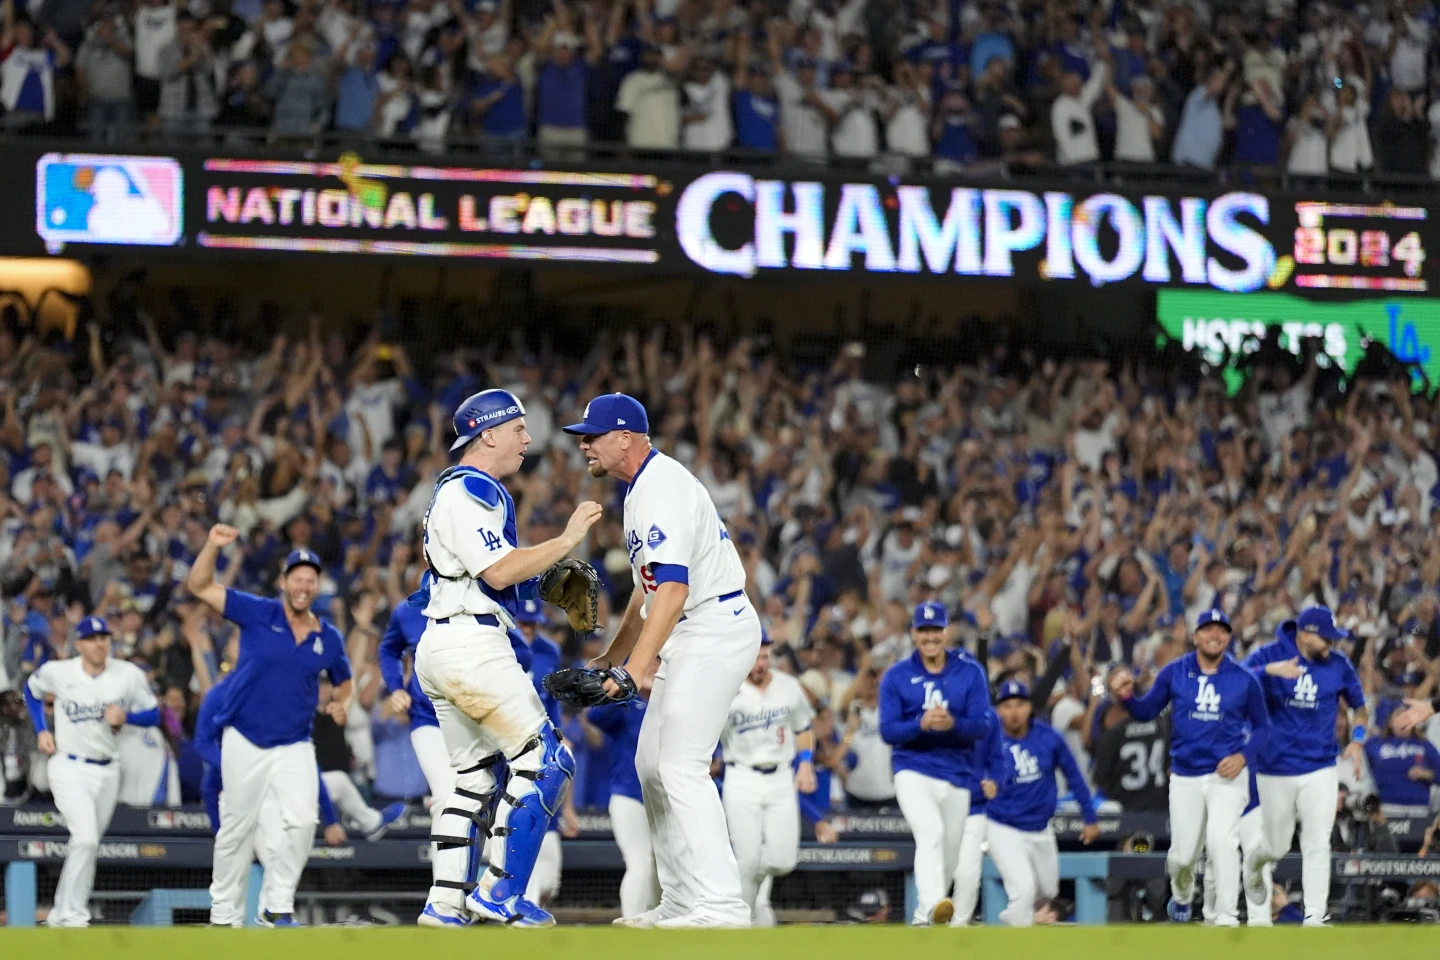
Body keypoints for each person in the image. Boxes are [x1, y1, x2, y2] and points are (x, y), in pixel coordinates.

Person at [567, 391, 760, 928]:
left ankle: (721, 905)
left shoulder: (663, 489)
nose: (583, 444)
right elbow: (645, 592)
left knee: (680, 764)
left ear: (625, 436)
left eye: (592, 435)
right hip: (693, 629)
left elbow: (672, 592)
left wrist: (633, 672)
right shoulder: (639, 491)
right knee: (651, 765)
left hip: (714, 625)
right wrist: (614, 655)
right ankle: (679, 899)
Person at [413, 389, 600, 928]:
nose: (527, 438)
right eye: (518, 428)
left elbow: (491, 576)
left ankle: (445, 902)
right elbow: (496, 572)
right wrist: (565, 541)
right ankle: (499, 894)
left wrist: (543, 583)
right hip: (470, 646)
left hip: (446, 643)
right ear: (488, 433)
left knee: (474, 778)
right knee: (547, 761)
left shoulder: (457, 492)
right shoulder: (472, 489)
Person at [187, 540, 353, 928]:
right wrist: (211, 545)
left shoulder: (327, 637)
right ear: (283, 581)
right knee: (237, 828)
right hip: (244, 738)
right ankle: (223, 914)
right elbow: (199, 586)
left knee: (303, 821)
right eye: (297, 578)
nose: (303, 586)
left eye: (310, 580)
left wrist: (343, 702)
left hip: (294, 742)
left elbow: (343, 681)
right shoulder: (257, 611)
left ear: (316, 586)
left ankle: (276, 905)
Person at [379, 576, 536, 907]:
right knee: (448, 794)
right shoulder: (407, 611)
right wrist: (395, 686)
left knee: (480, 800)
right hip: (428, 721)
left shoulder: (479, 609)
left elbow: (523, 654)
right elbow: (388, 649)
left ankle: (475, 886)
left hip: (471, 721)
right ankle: (447, 896)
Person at [1108, 609, 1270, 926]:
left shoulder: (1243, 679)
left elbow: (1264, 727)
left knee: (1223, 842)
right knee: (1182, 858)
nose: (1214, 635)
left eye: (1221, 630)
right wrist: (1127, 697)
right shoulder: (1174, 672)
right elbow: (1146, 711)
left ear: (1228, 637)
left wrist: (1243, 757)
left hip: (1228, 775)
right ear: (1195, 637)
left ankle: (1226, 916)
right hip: (1185, 776)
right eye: (1208, 630)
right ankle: (1181, 898)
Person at [22, 616, 159, 927]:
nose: (101, 643)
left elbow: (153, 713)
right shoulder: (59, 671)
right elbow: (29, 691)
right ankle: (73, 915)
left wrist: (127, 718)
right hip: (68, 764)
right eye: (93, 638)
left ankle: (63, 913)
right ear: (79, 644)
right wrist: (41, 728)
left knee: (89, 843)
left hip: (109, 770)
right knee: (84, 838)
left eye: (105, 637)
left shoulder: (127, 675)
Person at [1243, 606, 1368, 927]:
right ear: (1305, 634)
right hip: (1274, 767)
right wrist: (1269, 671)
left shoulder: (1338, 664)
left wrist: (1356, 738)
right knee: (1275, 845)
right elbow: (1235, 683)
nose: (1331, 644)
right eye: (1325, 638)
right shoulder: (1269, 654)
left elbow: (1360, 708)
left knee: (1317, 841)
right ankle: (1259, 914)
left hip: (1320, 767)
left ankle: (1314, 918)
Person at [877, 601, 994, 926]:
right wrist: (921, 725)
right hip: (912, 769)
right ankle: (931, 906)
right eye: (923, 630)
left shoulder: (970, 671)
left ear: (946, 632)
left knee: (950, 852)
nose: (930, 636)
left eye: (936, 630)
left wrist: (952, 723)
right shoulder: (897, 676)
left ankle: (922, 919)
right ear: (914, 633)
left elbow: (983, 725)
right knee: (930, 832)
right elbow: (888, 730)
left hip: (957, 773)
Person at [984, 679, 1099, 927]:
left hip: (1040, 826)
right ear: (997, 710)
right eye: (1007, 706)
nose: (1014, 712)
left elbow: (1075, 777)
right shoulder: (987, 739)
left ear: (1029, 708)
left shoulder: (1049, 737)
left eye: (1019, 705)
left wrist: (1089, 818)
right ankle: (1016, 935)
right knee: (1023, 891)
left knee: (1047, 891)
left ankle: (1020, 919)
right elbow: (968, 772)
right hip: (1002, 826)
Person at [719, 636, 816, 926]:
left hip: (781, 777)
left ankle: (747, 902)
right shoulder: (724, 688)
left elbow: (804, 727)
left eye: (764, 657)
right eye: (754, 657)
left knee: (783, 860)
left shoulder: (788, 686)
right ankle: (743, 920)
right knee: (747, 860)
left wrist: (806, 763)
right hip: (740, 777)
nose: (760, 664)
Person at [586, 672, 655, 919]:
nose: (654, 669)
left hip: (664, 799)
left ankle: (657, 922)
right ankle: (631, 922)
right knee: (640, 862)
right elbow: (594, 715)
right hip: (629, 795)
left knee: (662, 870)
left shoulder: (674, 700)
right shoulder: (629, 704)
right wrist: (626, 687)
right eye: (651, 663)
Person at [1364, 698, 1440, 807]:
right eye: (1398, 715)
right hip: (1384, 808)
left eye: (1407, 716)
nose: (1403, 720)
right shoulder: (1374, 744)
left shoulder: (1425, 745)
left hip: (1419, 809)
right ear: (1389, 721)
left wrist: (1426, 774)